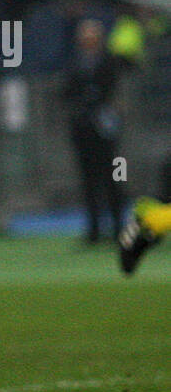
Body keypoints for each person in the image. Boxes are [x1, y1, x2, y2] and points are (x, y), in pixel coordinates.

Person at [63, 19, 128, 243]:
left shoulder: (109, 63)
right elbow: (66, 92)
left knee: (115, 176)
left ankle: (120, 226)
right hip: (83, 129)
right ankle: (94, 231)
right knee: (89, 180)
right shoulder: (74, 64)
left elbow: (112, 89)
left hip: (106, 128)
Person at [118, 197, 170, 274]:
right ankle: (128, 266)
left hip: (149, 228)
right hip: (149, 229)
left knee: (130, 245)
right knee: (133, 244)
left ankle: (128, 266)